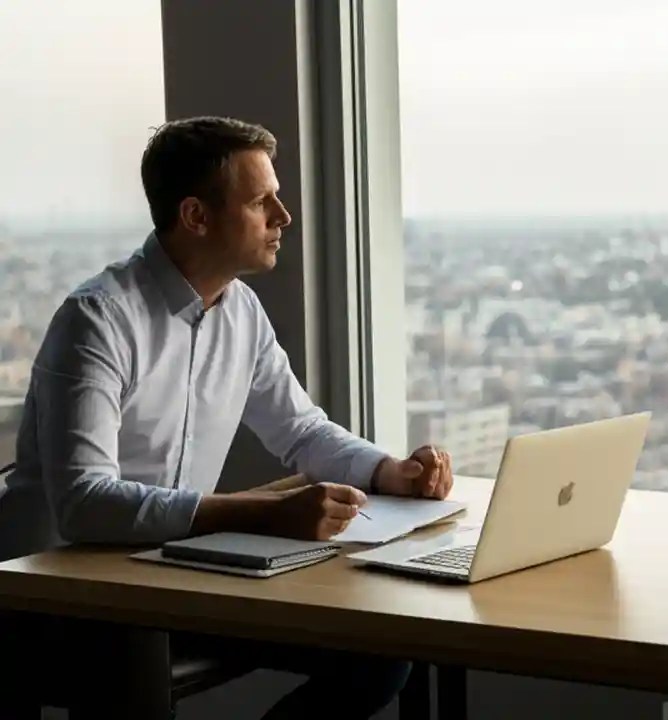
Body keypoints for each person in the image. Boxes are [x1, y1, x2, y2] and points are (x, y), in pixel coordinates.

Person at [0, 116, 454, 719]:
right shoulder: (98, 321)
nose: (283, 217)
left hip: (168, 577)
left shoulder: (241, 311)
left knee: (375, 653)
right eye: (262, 201)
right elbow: (85, 504)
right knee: (133, 665)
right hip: (56, 596)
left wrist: (389, 470)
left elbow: (300, 430)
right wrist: (265, 516)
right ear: (196, 216)